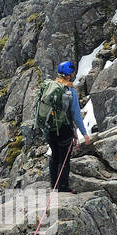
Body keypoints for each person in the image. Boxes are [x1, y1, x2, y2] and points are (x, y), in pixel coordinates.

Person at [35, 60, 92, 193]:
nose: (73, 74)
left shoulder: (50, 87)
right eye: (72, 72)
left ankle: (53, 185)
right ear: (68, 74)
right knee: (64, 159)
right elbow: (76, 114)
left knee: (54, 156)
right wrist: (84, 134)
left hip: (49, 130)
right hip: (64, 130)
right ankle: (63, 187)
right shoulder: (70, 91)